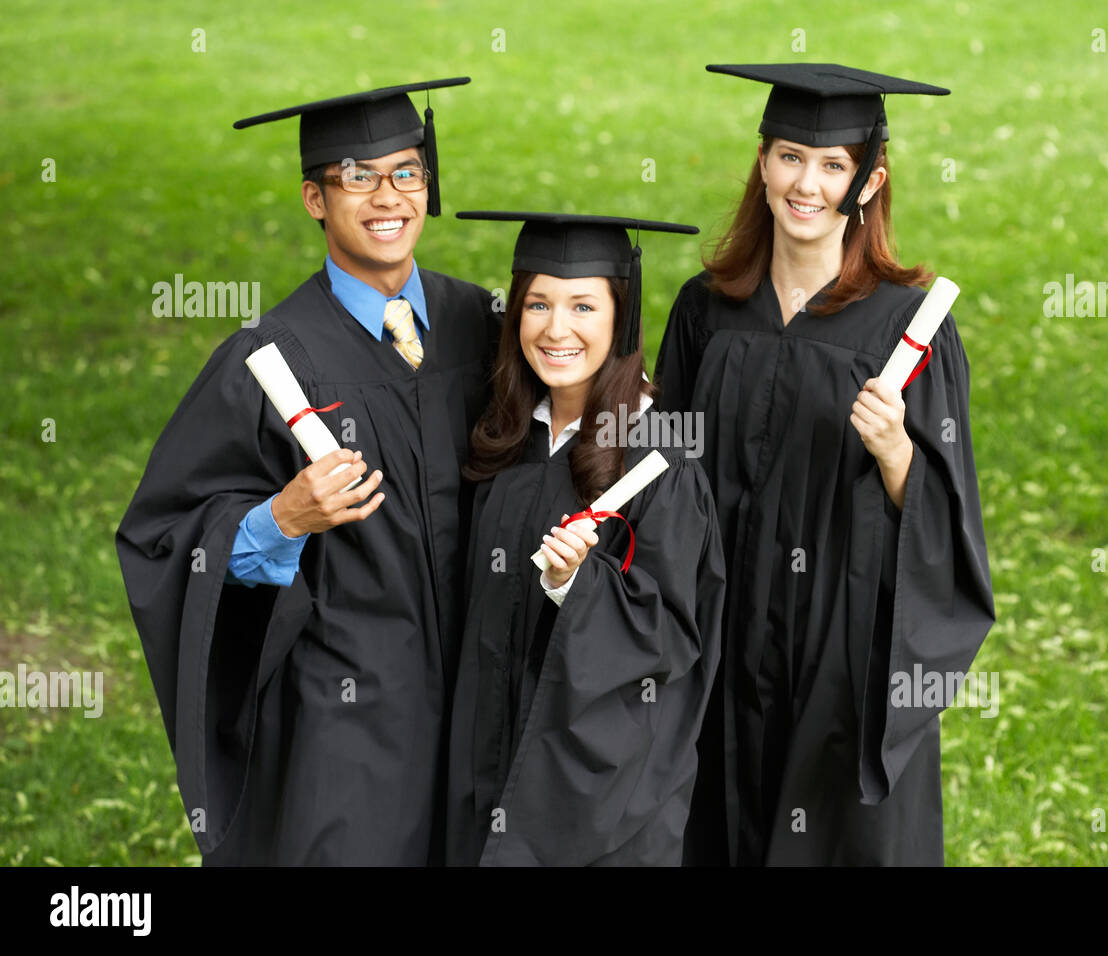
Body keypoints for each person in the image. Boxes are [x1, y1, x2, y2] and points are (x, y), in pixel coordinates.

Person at [116, 79, 500, 865]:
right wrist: (281, 519)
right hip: (345, 704)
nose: (388, 195)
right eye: (357, 176)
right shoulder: (270, 358)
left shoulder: (486, 327)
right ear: (314, 199)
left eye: (407, 172)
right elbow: (162, 535)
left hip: (479, 692)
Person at [654, 63, 996, 866]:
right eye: (789, 157)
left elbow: (951, 524)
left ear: (869, 182)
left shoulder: (908, 329)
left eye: (834, 165)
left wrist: (898, 452)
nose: (807, 184)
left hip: (840, 647)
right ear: (763, 164)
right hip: (720, 634)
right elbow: (664, 481)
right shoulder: (707, 310)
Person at [445, 212, 726, 865]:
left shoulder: (660, 461)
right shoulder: (508, 440)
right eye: (537, 303)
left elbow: (676, 631)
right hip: (485, 763)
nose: (556, 327)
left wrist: (581, 585)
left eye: (582, 305)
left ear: (620, 319)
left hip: (600, 798)